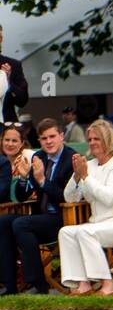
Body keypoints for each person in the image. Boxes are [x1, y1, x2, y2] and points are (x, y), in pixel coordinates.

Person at [57, 119, 113, 295]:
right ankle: (82, 285)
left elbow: (109, 198)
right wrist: (77, 176)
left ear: (108, 139)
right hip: (97, 223)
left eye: (96, 139)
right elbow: (70, 198)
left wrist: (86, 177)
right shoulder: (90, 165)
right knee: (66, 232)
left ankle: (108, 286)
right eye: (90, 139)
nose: (92, 143)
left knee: (85, 232)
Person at [0, 118, 73, 295]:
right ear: (39, 140)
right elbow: (22, 197)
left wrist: (42, 181)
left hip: (64, 217)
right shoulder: (39, 157)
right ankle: (9, 286)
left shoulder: (71, 159)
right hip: (40, 217)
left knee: (21, 224)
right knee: (3, 222)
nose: (48, 142)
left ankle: (38, 284)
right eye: (44, 138)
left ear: (61, 136)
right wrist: (24, 178)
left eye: (52, 137)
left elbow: (67, 197)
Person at [0, 25, 29, 125]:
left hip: (6, 126)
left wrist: (8, 82)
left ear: (1, 39)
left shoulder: (13, 65)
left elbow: (22, 101)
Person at [0, 124, 30, 204]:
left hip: (21, 208)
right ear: (1, 141)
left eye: (14, 141)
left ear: (22, 143)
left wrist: (23, 177)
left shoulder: (27, 160)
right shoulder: (2, 162)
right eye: (7, 140)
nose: (10, 144)